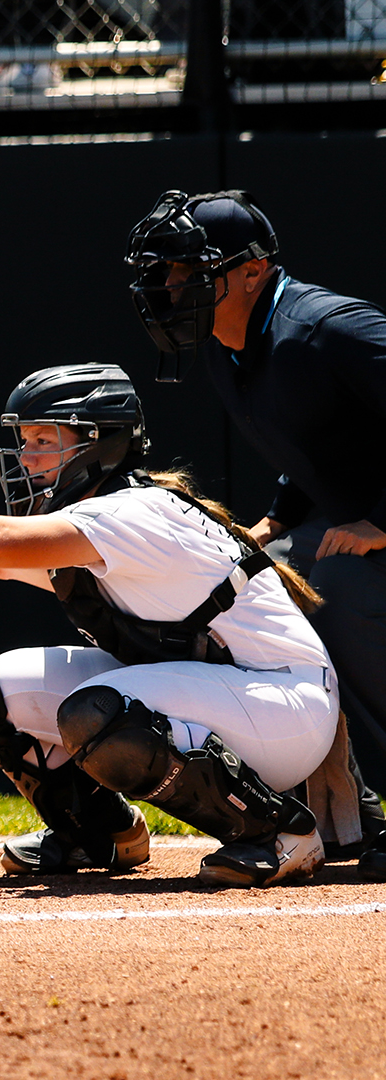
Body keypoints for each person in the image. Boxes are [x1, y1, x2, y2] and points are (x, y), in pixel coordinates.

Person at [0, 364, 338, 886]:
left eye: (44, 440)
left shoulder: (133, 512)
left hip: (285, 708)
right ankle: (100, 833)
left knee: (98, 711)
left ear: (97, 442)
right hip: (233, 692)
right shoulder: (101, 514)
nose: (26, 456)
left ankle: (279, 832)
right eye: (25, 440)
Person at [126, 190, 386, 876]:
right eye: (166, 271)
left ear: (253, 271)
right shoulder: (230, 345)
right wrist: (277, 520)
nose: (171, 286)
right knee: (244, 585)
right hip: (349, 523)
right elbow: (320, 440)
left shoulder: (330, 328)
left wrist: (381, 523)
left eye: (189, 270)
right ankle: (340, 815)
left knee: (339, 590)